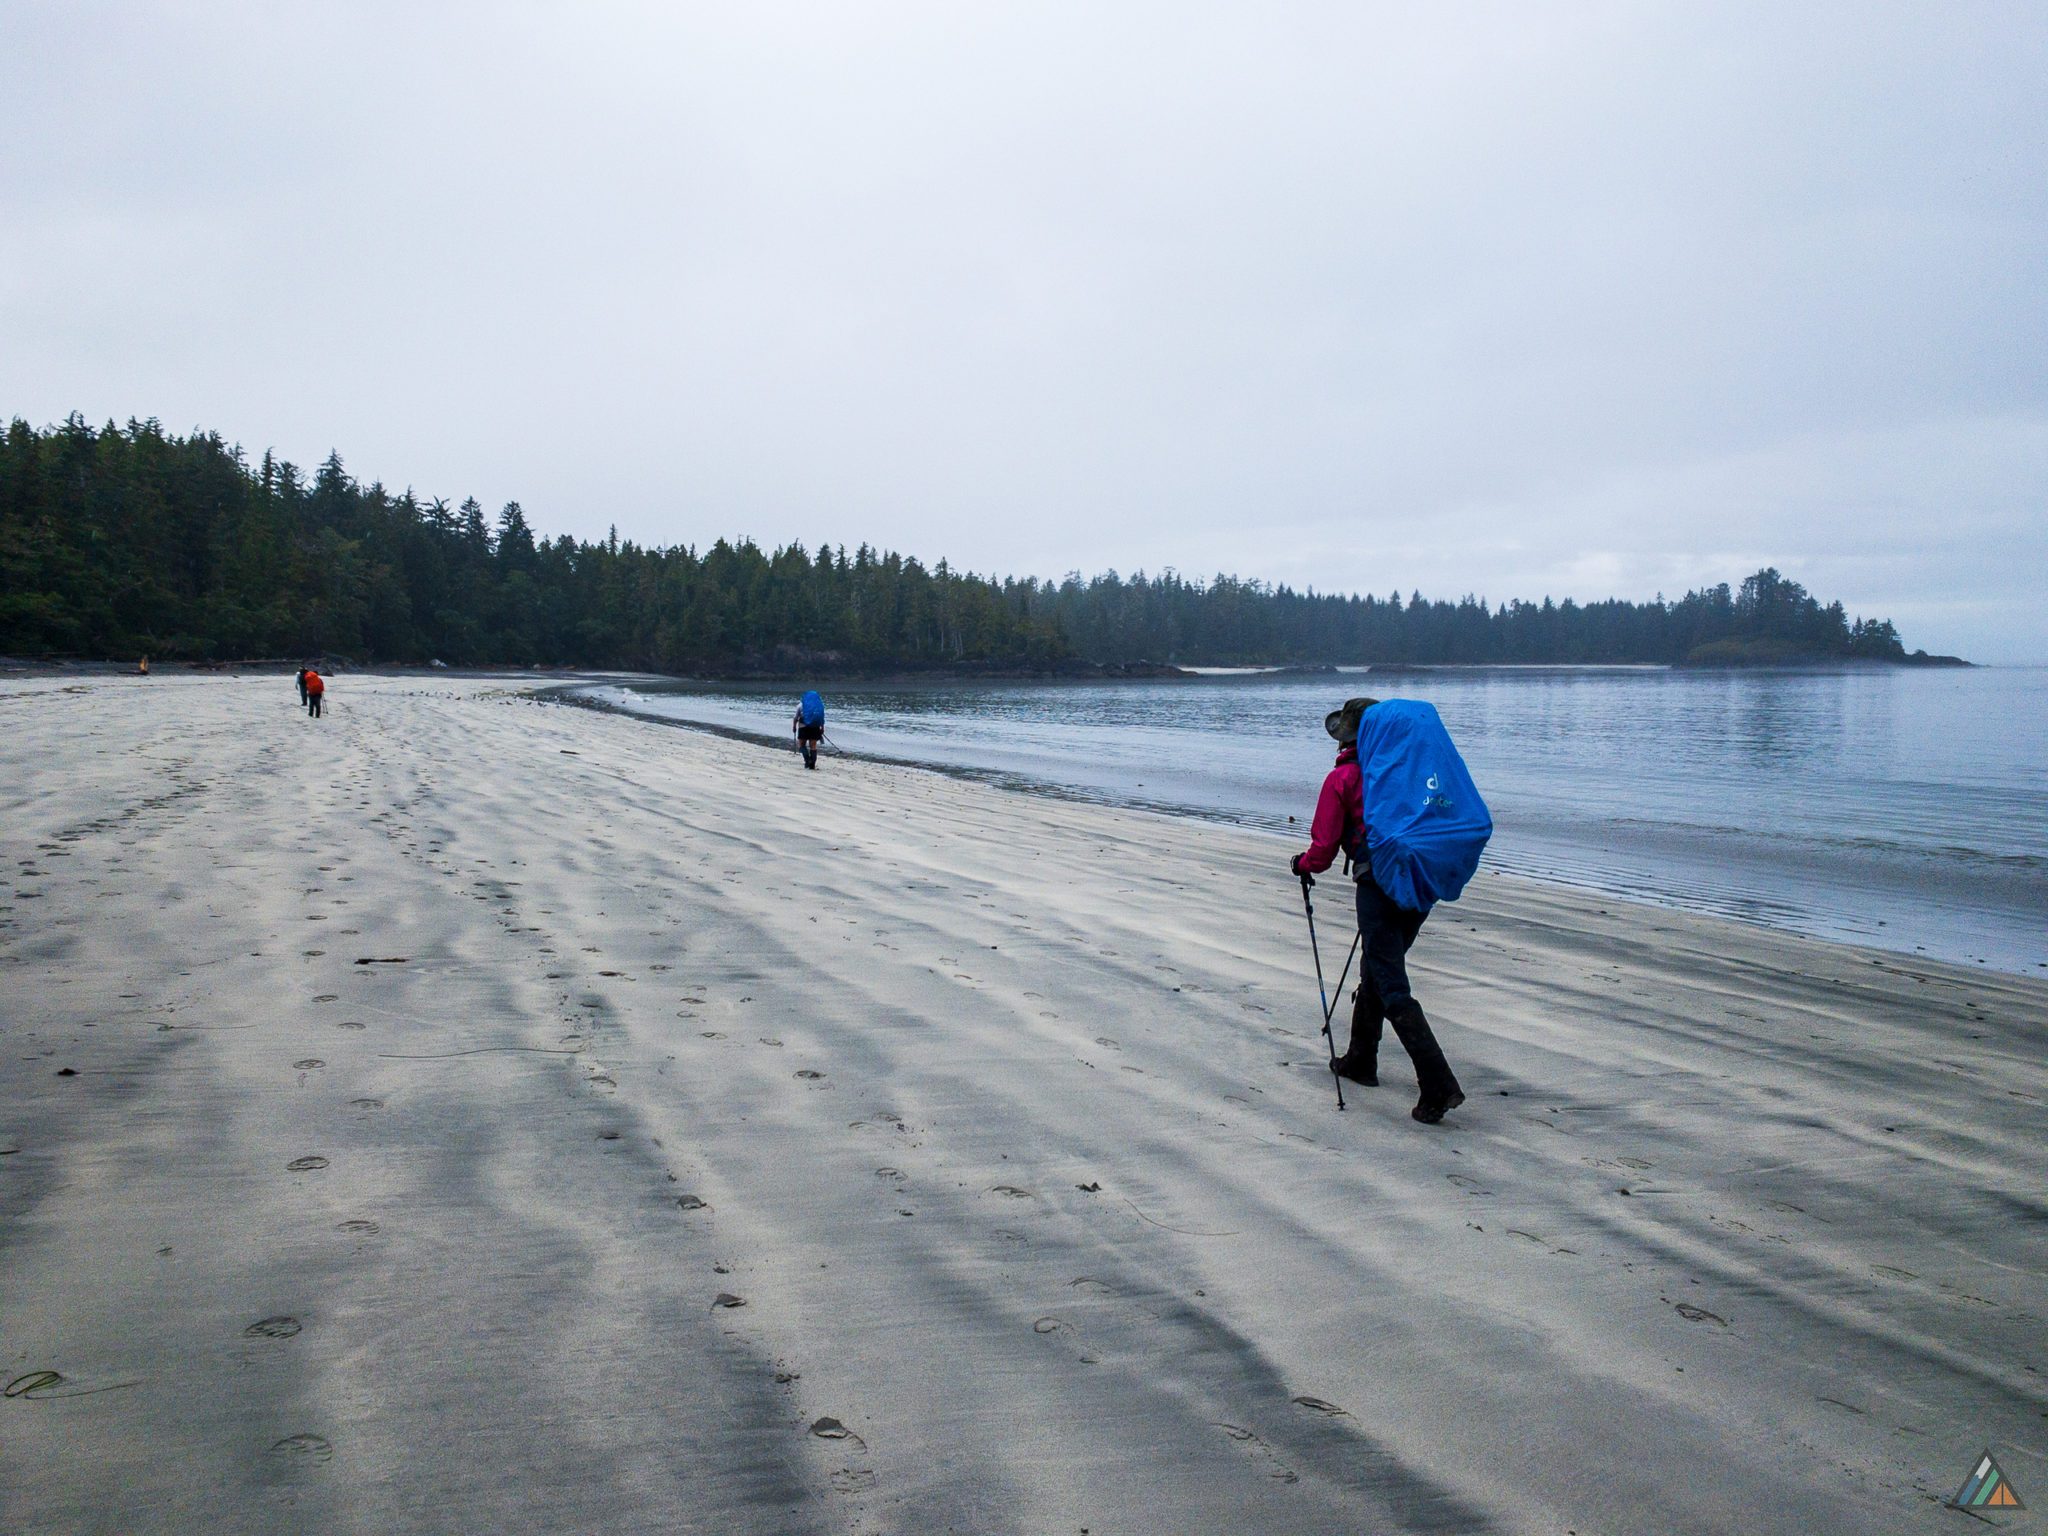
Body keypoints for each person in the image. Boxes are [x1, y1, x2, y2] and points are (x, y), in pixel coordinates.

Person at [1291, 696, 1471, 1125]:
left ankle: (1438, 1084)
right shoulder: (1407, 772)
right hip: (1419, 883)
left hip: (1377, 885)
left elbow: (1324, 848)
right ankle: (1360, 1059)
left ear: (1349, 738)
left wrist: (1302, 865)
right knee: (1378, 967)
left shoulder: (1345, 777)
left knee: (1389, 982)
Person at [792, 689, 825, 769]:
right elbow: (821, 717)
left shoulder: (800, 705)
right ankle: (812, 763)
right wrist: (822, 728)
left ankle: (807, 760)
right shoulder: (820, 705)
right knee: (813, 746)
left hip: (803, 728)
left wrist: (794, 727)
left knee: (801, 744)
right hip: (815, 727)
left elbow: (796, 717)